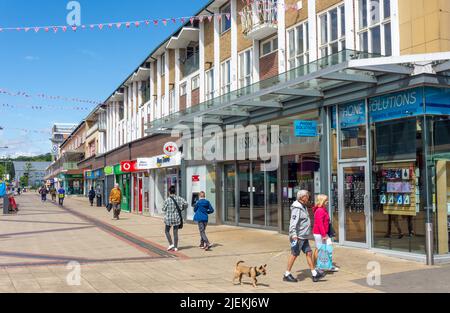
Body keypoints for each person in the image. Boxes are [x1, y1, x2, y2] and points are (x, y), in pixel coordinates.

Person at [283, 190, 324, 283]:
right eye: (307, 196)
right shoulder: (297, 208)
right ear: (302, 197)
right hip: (298, 237)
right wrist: (293, 235)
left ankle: (314, 274)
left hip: (304, 236)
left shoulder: (303, 206)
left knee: (309, 253)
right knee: (294, 254)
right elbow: (293, 223)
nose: (308, 197)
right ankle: (286, 274)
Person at [312, 195, 340, 272]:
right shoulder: (320, 210)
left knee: (328, 248)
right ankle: (318, 266)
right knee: (320, 249)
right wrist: (324, 235)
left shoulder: (323, 209)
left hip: (323, 233)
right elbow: (320, 224)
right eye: (326, 200)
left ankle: (328, 265)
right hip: (320, 233)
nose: (327, 202)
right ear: (322, 201)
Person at [162, 186, 188, 252]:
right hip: (177, 218)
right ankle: (176, 247)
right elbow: (186, 204)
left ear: (169, 192)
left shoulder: (167, 200)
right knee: (175, 233)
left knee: (167, 231)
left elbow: (163, 209)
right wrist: (182, 208)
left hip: (169, 218)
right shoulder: (179, 198)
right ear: (175, 192)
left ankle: (171, 244)